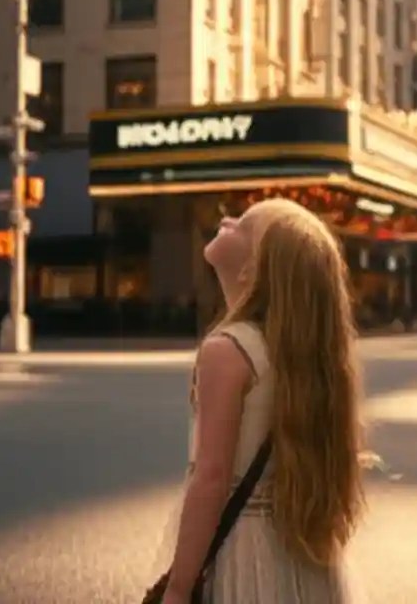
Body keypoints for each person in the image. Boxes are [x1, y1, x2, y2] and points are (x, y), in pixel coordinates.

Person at [157, 198, 366, 603]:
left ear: (257, 267)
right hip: (303, 553)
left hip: (242, 553)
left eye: (243, 225)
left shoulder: (226, 350)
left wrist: (178, 590)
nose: (226, 219)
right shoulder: (302, 357)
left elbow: (211, 479)